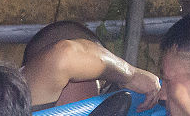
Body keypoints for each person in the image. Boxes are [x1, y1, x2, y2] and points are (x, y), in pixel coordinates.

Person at [21, 20, 162, 110]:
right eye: (89, 73)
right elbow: (65, 55)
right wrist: (130, 75)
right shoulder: (21, 101)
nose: (97, 89)